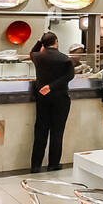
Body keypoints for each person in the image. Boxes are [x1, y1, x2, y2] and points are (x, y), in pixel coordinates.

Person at [29, 32, 75, 172]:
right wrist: (52, 86)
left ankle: (36, 165)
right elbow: (70, 75)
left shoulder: (37, 56)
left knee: (40, 131)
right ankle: (53, 163)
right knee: (57, 132)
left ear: (43, 43)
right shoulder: (65, 59)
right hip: (60, 98)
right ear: (56, 41)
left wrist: (40, 41)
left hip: (42, 98)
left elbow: (32, 51)